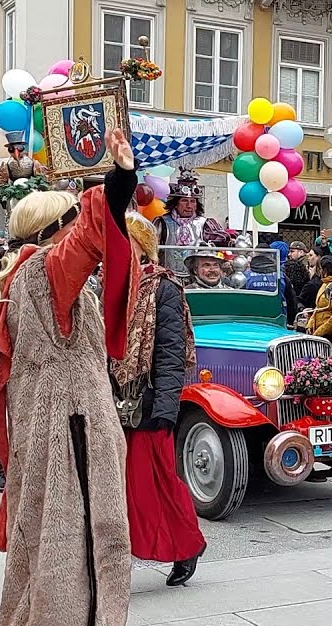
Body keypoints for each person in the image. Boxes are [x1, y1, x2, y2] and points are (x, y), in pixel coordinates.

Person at [0, 129, 138, 626]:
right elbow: (92, 240)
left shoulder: (17, 273)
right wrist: (118, 180)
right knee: (82, 542)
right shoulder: (49, 268)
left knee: (39, 535)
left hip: (42, 416)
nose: (78, 228)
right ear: (54, 230)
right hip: (73, 417)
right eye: (70, 220)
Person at [112, 213, 206, 586]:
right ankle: (116, 557)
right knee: (115, 485)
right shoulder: (105, 285)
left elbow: (170, 353)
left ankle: (186, 545)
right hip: (110, 399)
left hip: (148, 401)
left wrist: (166, 408)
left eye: (125, 240)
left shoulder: (162, 288)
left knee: (158, 482)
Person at [308, 256, 332, 341]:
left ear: (325, 270)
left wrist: (320, 331)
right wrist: (310, 324)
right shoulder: (324, 284)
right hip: (317, 328)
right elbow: (318, 307)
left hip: (327, 334)